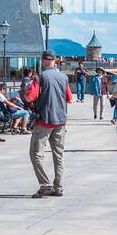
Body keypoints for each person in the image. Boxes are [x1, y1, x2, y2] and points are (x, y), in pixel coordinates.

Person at [29, 51, 71, 198]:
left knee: (36, 154)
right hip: (60, 121)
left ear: (42, 61)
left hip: (44, 120)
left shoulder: (39, 77)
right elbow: (69, 98)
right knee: (58, 155)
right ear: (55, 61)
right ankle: (58, 187)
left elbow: (30, 97)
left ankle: (45, 185)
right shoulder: (63, 77)